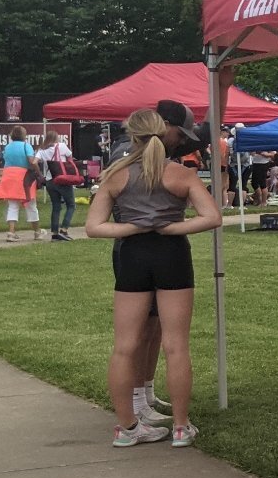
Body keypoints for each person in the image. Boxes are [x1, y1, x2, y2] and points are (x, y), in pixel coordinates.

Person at [85, 107, 222, 447]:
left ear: (132, 135)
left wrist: (133, 226)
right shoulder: (179, 174)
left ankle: (127, 428)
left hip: (132, 255)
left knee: (124, 347)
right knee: (176, 345)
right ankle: (180, 426)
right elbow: (213, 217)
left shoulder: (116, 174)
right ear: (164, 133)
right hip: (172, 253)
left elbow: (93, 227)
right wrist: (174, 226)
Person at [0, 126, 43, 241]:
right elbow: (31, 161)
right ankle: (37, 232)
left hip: (9, 175)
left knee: (12, 205)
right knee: (31, 205)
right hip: (24, 177)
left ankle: (11, 232)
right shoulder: (26, 146)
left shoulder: (8, 147)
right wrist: (39, 172)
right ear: (24, 135)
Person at [36, 132, 83, 241]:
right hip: (62, 179)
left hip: (49, 180)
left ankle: (54, 233)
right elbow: (70, 157)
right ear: (56, 138)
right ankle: (64, 229)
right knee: (71, 205)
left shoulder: (42, 150)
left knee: (56, 207)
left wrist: (40, 175)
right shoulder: (61, 146)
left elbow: (34, 162)